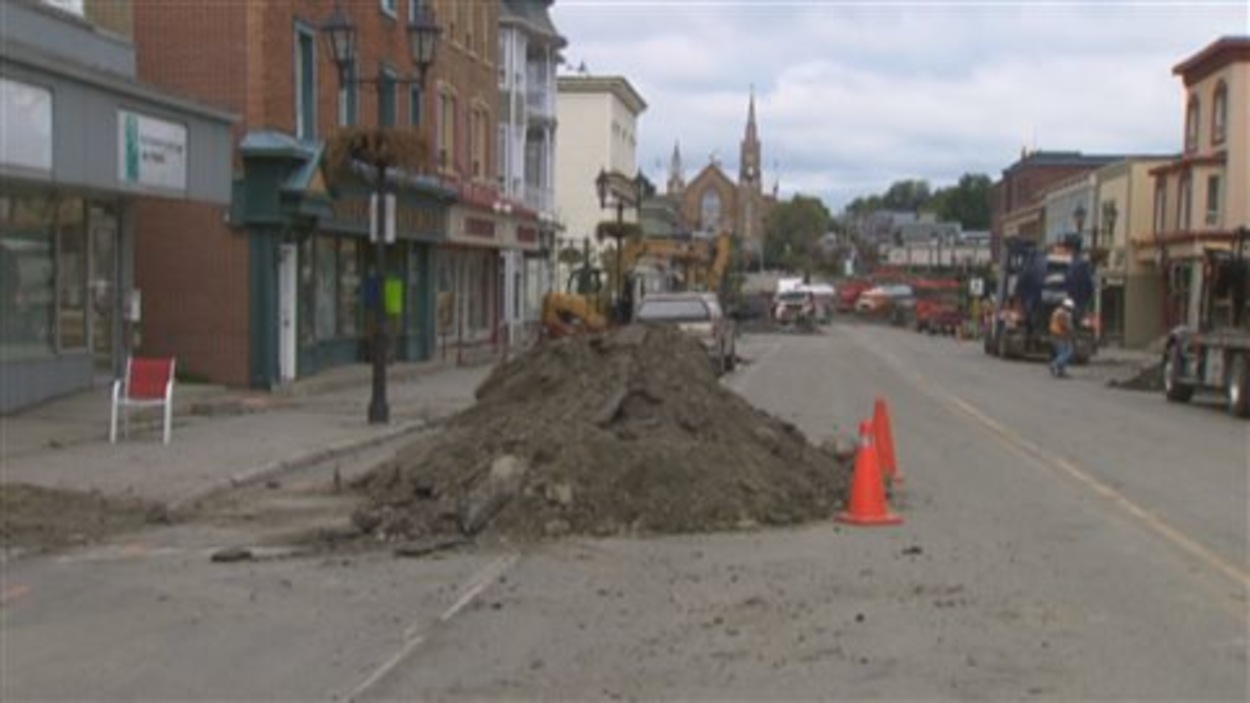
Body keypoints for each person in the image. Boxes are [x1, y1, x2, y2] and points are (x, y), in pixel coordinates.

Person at [1049, 297, 1076, 377]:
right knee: (1068, 352)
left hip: (1058, 334)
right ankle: (1054, 364)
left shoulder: (1058, 311)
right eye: (1070, 308)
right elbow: (1064, 325)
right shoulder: (1062, 313)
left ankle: (1061, 371)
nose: (1070, 310)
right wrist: (1071, 331)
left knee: (1061, 352)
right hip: (1060, 335)